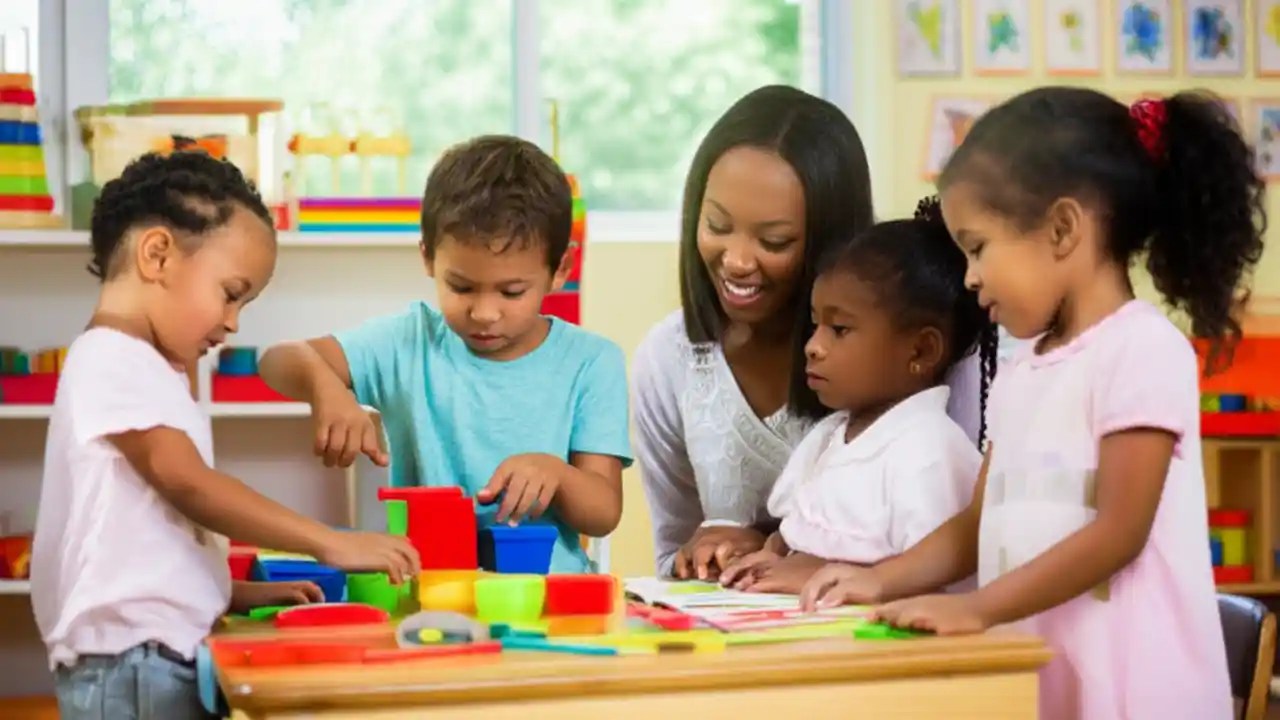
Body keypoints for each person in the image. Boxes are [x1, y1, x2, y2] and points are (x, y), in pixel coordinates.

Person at [802, 88, 1260, 719]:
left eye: (978, 247)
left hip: (1136, 696)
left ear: (1063, 229)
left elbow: (1118, 533)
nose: (969, 277)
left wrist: (977, 608)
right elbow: (975, 526)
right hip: (1042, 687)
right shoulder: (1022, 371)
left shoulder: (1143, 350)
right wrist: (878, 579)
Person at [31, 152, 420, 720]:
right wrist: (327, 541)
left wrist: (229, 591)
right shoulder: (112, 357)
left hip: (148, 658)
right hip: (133, 666)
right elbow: (188, 484)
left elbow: (142, 536)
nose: (234, 320)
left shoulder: (139, 365)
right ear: (157, 254)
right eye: (230, 292)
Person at [632, 84, 985, 580]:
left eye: (774, 240)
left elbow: (959, 543)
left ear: (828, 240)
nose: (735, 260)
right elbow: (672, 557)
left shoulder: (928, 351)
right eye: (716, 224)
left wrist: (801, 562)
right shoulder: (669, 360)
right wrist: (716, 551)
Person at [259, 135, 632, 573]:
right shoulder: (408, 342)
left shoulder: (591, 361)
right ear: (428, 258)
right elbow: (278, 360)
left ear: (560, 271)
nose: (485, 313)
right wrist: (325, 386)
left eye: (512, 292)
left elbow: (604, 513)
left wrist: (557, 473)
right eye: (461, 287)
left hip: (548, 598)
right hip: (430, 596)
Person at [718, 200, 996, 593]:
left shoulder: (930, 452)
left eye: (840, 329)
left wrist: (817, 575)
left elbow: (931, 577)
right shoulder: (830, 435)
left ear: (920, 352)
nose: (813, 346)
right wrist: (773, 554)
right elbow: (801, 525)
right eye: (815, 326)